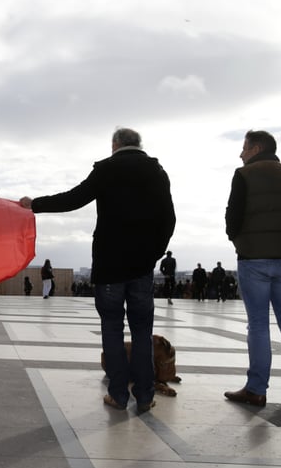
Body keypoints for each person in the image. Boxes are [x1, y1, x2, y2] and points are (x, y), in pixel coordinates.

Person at [21, 128, 175, 413]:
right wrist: (152, 255)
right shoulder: (157, 172)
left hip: (109, 265)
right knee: (143, 332)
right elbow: (169, 219)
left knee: (112, 330)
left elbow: (73, 199)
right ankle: (144, 396)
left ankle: (118, 395)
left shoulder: (107, 169)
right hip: (141, 267)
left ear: (115, 145)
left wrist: (36, 205)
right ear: (139, 145)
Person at [223, 130, 281, 409]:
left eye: (244, 148)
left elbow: (233, 215)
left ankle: (256, 390)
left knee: (259, 325)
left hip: (253, 259)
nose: (241, 154)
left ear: (256, 148)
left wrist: (238, 239)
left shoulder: (244, 175)